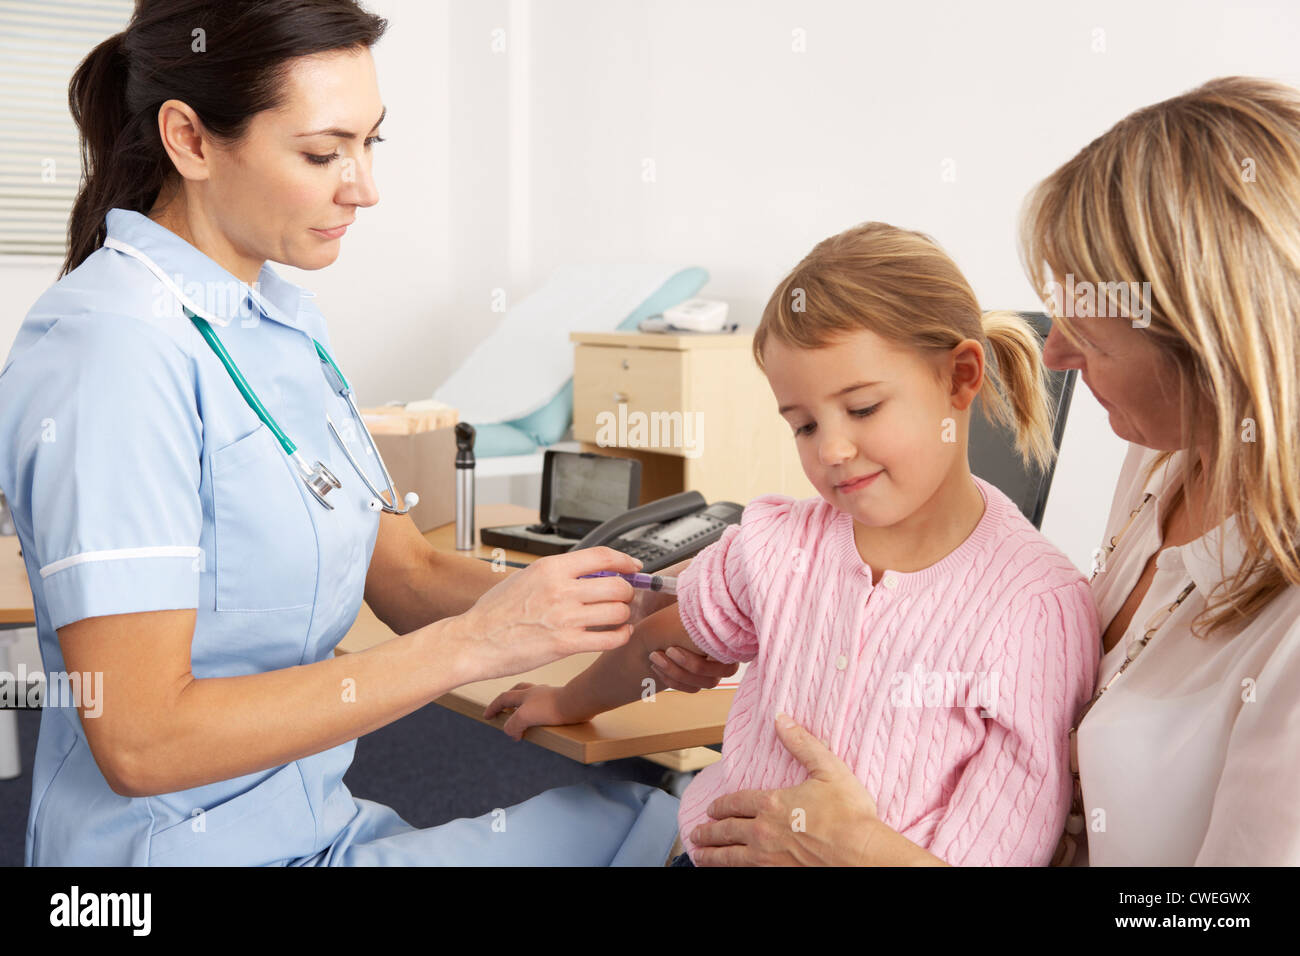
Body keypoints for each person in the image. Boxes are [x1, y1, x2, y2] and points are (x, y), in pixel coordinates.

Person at [0, 0, 695, 866]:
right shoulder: (112, 354)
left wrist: (622, 607)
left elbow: (406, 571)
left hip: (316, 827)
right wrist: (475, 643)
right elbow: (144, 743)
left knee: (677, 820)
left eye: (372, 144)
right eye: (324, 153)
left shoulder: (284, 323)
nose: (363, 186)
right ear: (189, 139)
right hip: (167, 858)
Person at [642, 76, 1300, 867]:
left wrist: (862, 853)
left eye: (1087, 334)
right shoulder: (1166, 451)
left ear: (1209, 343)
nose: (1052, 354)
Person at [486, 221, 1102, 866]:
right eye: (804, 425)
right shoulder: (779, 542)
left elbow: (1004, 850)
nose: (831, 450)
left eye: (862, 409)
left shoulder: (1038, 606)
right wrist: (562, 700)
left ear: (960, 377)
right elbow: (654, 642)